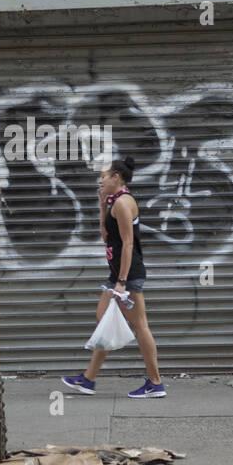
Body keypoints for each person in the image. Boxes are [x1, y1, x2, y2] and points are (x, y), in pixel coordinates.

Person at [61, 156, 165, 398]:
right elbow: (108, 238)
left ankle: (155, 383)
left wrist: (122, 281)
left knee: (140, 327)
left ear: (116, 178)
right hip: (116, 274)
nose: (100, 181)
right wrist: (101, 207)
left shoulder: (123, 203)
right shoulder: (114, 203)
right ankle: (88, 379)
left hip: (127, 276)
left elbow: (128, 244)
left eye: (103, 176)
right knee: (104, 321)